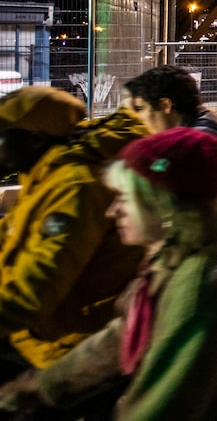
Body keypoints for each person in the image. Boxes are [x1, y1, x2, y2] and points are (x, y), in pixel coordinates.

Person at [0, 127, 217, 418]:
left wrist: (41, 389)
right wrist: (44, 386)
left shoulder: (206, 283)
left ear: (163, 205)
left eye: (125, 199)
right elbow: (123, 333)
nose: (113, 212)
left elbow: (165, 403)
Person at [0, 87, 146, 387]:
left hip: (62, 349)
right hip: (36, 334)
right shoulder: (42, 173)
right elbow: (11, 237)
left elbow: (34, 292)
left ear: (36, 139)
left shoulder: (75, 188)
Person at [124, 65, 217, 243]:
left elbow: (164, 173)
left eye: (141, 109)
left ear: (166, 105)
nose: (139, 120)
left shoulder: (197, 143)